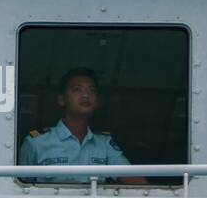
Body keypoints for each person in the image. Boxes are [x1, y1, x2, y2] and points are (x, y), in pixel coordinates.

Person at [18, 67, 147, 185]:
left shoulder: (105, 144)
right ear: (62, 99)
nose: (86, 95)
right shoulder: (36, 143)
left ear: (97, 101)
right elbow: (19, 191)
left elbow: (138, 184)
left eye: (92, 90)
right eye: (77, 89)